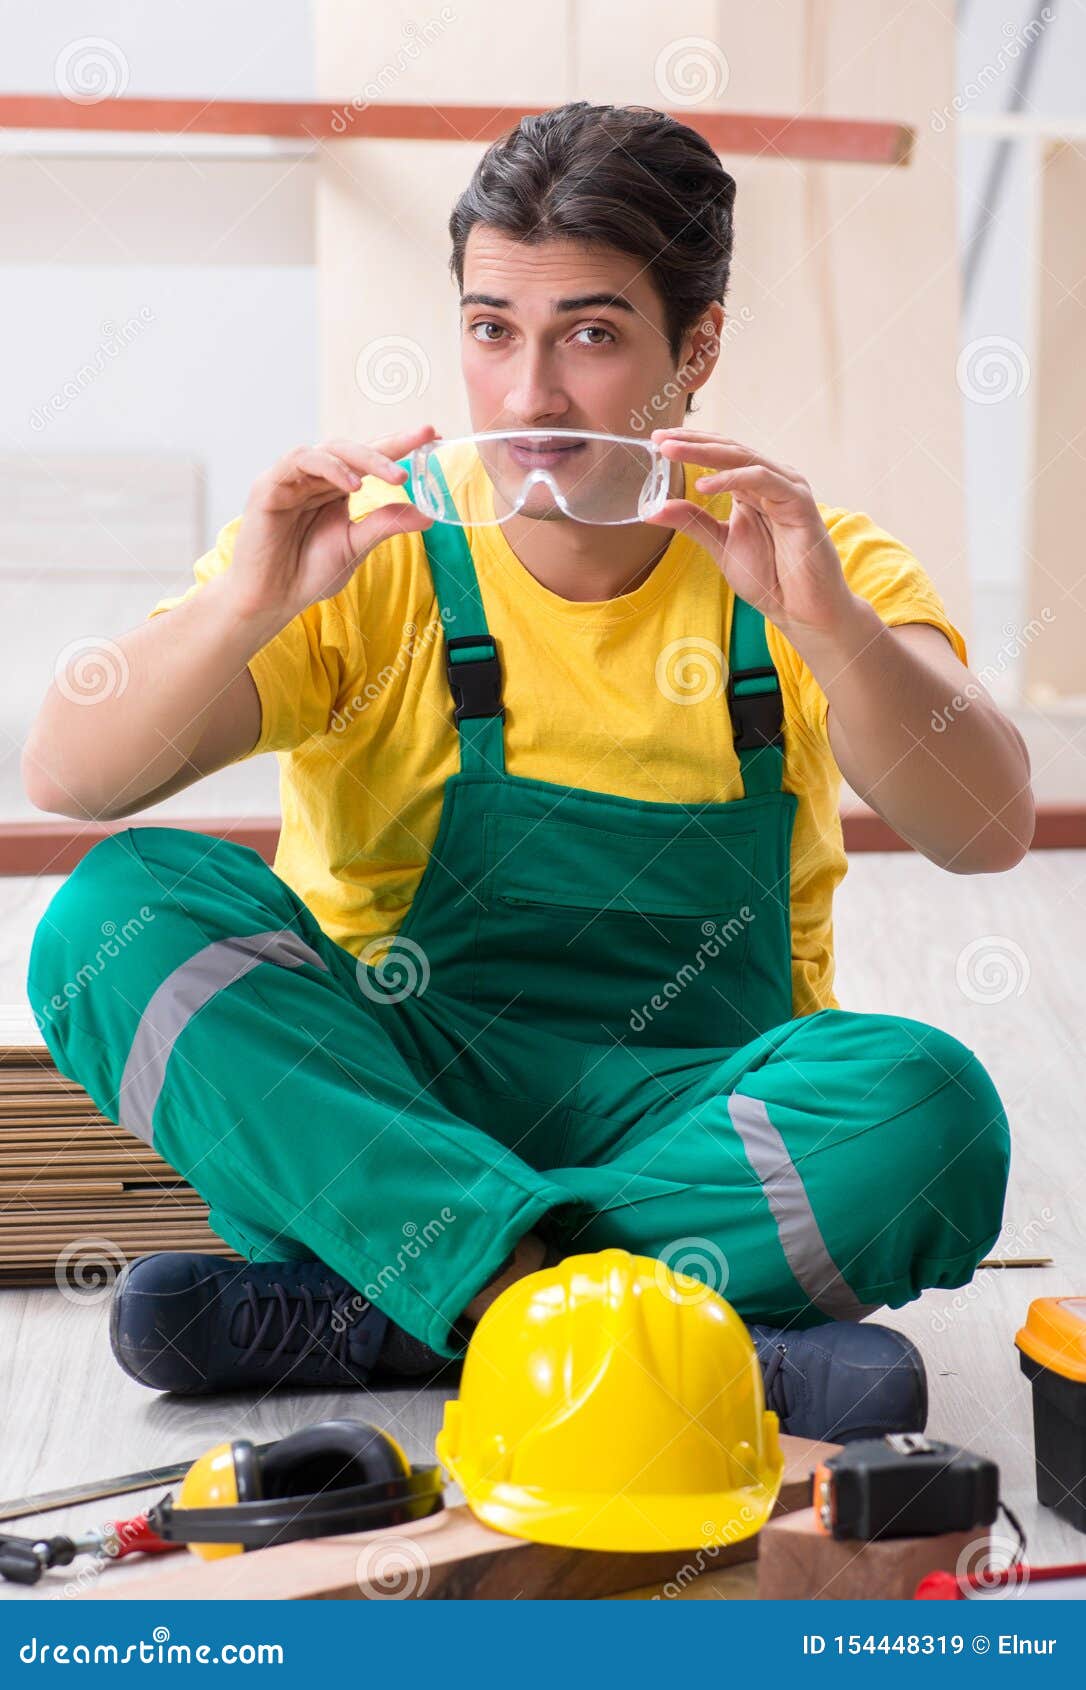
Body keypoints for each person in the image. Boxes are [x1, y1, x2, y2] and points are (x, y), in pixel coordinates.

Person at [23, 102, 1029, 1446]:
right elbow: (68, 775)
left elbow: (986, 828)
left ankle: (396, 1306)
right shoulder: (373, 559)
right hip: (386, 1105)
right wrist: (249, 602)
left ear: (698, 350)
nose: (531, 397)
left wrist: (829, 626)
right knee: (113, 914)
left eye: (593, 336)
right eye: (493, 329)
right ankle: (651, 1326)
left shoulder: (799, 561)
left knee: (930, 1113)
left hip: (678, 1118)